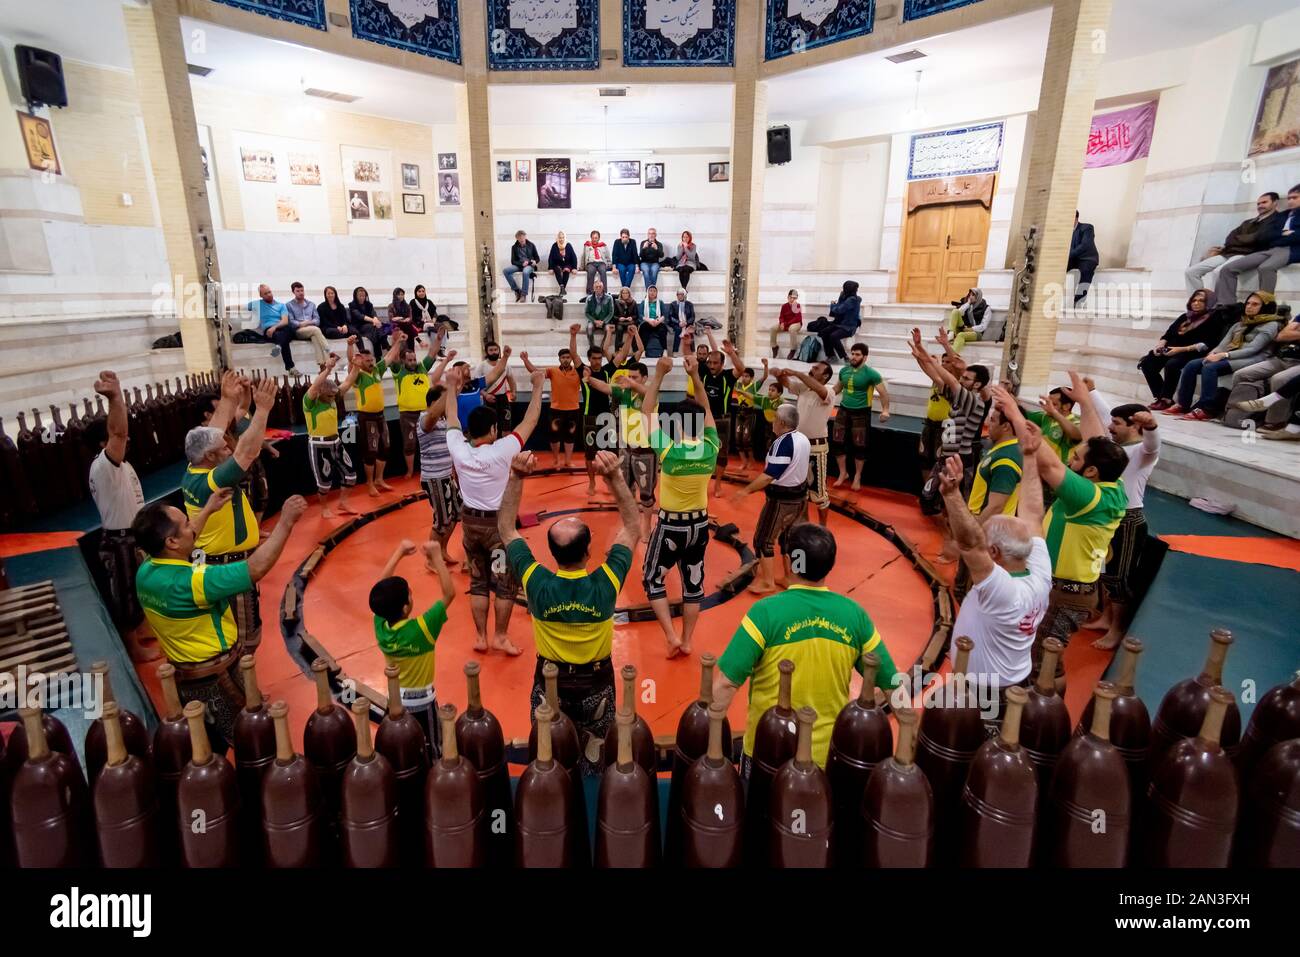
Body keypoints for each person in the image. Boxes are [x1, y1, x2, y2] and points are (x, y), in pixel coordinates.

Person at [713, 522, 900, 771]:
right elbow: (892, 683)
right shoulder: (855, 616)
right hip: (823, 761)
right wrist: (912, 738)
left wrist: (707, 742)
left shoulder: (764, 613)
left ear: (789, 561)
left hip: (768, 754)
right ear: (830, 564)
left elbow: (725, 684)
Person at [500, 448, 639, 776]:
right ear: (590, 551)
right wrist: (616, 477)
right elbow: (633, 527)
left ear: (551, 553)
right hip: (597, 684)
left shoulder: (536, 582)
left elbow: (507, 528)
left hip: (549, 681)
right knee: (596, 760)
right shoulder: (605, 583)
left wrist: (515, 477)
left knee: (547, 761)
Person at [133, 493, 309, 752]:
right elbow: (255, 568)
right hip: (217, 677)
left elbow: (185, 537)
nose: (191, 526)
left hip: (186, 676)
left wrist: (209, 508)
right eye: (185, 524)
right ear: (171, 541)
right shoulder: (194, 581)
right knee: (253, 740)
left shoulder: (146, 571)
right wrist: (285, 523)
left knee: (209, 740)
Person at [938, 392, 1050, 715]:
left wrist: (952, 495)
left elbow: (971, 543)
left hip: (982, 690)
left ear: (996, 552)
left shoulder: (1003, 591)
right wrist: (1029, 456)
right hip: (1012, 679)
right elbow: (1032, 511)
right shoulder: (1038, 571)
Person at [1026, 372, 1129, 688]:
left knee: (1044, 660)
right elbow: (1094, 440)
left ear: (1092, 471)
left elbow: (1049, 467)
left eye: (1076, 459)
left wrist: (1021, 425)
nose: (1071, 460)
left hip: (1065, 594)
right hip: (1063, 589)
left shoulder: (1088, 497)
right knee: (1039, 654)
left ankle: (1042, 715)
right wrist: (1084, 402)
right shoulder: (1112, 483)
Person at [444, 363, 547, 656]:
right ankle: (500, 636)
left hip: (470, 525)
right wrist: (538, 387)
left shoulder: (459, 449)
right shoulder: (504, 450)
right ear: (492, 429)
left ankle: (480, 636)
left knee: (477, 581)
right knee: (504, 583)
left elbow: (451, 417)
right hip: (498, 528)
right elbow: (530, 420)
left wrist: (451, 386)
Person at [182, 375, 279, 653]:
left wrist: (226, 400)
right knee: (242, 637)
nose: (228, 446)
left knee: (234, 632)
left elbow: (211, 435)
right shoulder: (211, 482)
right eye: (223, 448)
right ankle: (246, 692)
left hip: (219, 564)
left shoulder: (195, 470)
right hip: (227, 568)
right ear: (210, 457)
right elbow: (247, 452)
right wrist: (262, 410)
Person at [642, 354, 720, 657]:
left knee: (652, 578)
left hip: (671, 526)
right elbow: (708, 407)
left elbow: (645, 412)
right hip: (699, 526)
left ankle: (672, 636)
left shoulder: (670, 450)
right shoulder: (712, 446)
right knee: (693, 584)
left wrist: (659, 374)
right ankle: (687, 640)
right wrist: (696, 376)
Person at [86, 370, 156, 662]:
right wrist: (116, 398)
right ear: (104, 444)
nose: (126, 440)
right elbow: (118, 432)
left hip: (133, 534)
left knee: (137, 588)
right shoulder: (104, 465)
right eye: (115, 439)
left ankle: (140, 629)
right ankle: (133, 646)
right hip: (120, 539)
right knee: (125, 592)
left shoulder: (121, 465)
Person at [1081, 393, 1160, 651]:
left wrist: (1151, 426)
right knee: (1103, 573)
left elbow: (1152, 445)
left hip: (1128, 520)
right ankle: (1105, 618)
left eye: (1117, 423)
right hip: (1107, 516)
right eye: (1112, 422)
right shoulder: (1117, 449)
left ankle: (1117, 629)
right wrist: (1090, 392)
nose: (1110, 426)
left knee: (1119, 578)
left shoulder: (1142, 452)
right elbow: (1104, 414)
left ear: (1134, 425)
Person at [907, 328, 990, 562]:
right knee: (929, 499)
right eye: (963, 378)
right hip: (946, 457)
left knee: (952, 505)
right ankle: (951, 539)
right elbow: (937, 377)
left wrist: (929, 353)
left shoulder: (972, 400)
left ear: (977, 385)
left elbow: (949, 378)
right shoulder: (956, 398)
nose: (961, 380)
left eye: (967, 379)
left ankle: (955, 544)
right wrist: (921, 353)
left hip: (959, 461)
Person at [370, 537, 456, 756]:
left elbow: (379, 588)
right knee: (434, 747)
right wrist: (437, 557)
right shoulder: (422, 630)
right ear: (407, 607)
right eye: (409, 593)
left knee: (401, 742)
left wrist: (398, 551)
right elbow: (449, 594)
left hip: (395, 700)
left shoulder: (381, 627)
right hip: (424, 702)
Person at [730, 403, 809, 595]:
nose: (772, 422)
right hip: (800, 497)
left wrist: (745, 491)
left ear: (781, 422)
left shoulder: (781, 443)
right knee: (790, 537)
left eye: (775, 419)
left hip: (781, 499)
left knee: (763, 539)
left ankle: (768, 582)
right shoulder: (803, 438)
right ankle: (792, 577)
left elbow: (769, 475)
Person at [1166, 291, 1281, 420]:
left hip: (1253, 358)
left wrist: (1224, 355)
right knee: (1192, 364)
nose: (1249, 306)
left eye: (1255, 304)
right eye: (1248, 303)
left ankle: (1206, 408)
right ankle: (1183, 403)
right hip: (1231, 355)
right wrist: (1214, 352)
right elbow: (1224, 343)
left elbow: (1253, 349)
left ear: (1266, 307)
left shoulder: (1271, 324)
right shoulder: (1240, 323)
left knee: (1210, 367)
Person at [585, 344, 657, 542]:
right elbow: (605, 387)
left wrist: (631, 384)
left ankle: (646, 526)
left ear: (644, 378)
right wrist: (589, 379)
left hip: (646, 450)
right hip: (625, 449)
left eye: (635, 378)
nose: (630, 380)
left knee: (646, 493)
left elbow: (645, 393)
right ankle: (630, 524)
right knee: (626, 490)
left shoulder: (649, 394)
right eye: (629, 377)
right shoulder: (623, 393)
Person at [1139, 290, 1227, 409]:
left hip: (1191, 352)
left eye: (1201, 301)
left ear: (1209, 303)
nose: (1196, 303)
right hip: (1171, 349)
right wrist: (1160, 345)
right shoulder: (1185, 317)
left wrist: (1180, 349)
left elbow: (1206, 344)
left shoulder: (1215, 319)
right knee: (1147, 363)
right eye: (1194, 300)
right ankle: (1161, 397)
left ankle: (1166, 398)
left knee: (1172, 364)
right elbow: (1168, 335)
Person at [1214, 184, 1300, 302]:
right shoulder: (1282, 215)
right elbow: (1265, 235)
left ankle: (1265, 306)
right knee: (1228, 269)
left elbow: (1297, 237)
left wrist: (1282, 235)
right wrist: (1284, 234)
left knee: (1266, 267)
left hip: (1291, 250)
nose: (1290, 201)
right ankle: (1226, 305)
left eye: (1294, 198)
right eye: (1289, 198)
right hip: (1270, 249)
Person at [773, 363, 834, 525]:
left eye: (817, 369)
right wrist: (778, 373)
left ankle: (823, 529)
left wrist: (798, 373)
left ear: (825, 376)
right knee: (801, 491)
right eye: (812, 367)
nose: (812, 369)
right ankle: (804, 524)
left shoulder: (829, 391)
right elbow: (786, 382)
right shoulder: (803, 388)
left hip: (816, 448)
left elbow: (820, 390)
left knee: (819, 493)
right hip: (799, 445)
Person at [1184, 192, 1280, 295]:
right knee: (1191, 272)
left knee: (1219, 272)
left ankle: (1216, 305)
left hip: (1247, 255)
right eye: (1258, 204)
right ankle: (1197, 303)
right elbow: (1230, 239)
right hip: (1228, 253)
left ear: (1275, 203)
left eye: (1264, 202)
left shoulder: (1277, 220)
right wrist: (1245, 240)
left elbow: (1259, 238)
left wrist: (1241, 239)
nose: (1260, 206)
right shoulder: (1248, 222)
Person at [304, 354, 358, 518]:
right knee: (324, 483)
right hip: (319, 446)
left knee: (351, 475)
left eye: (334, 396)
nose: (332, 398)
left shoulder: (332, 398)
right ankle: (324, 509)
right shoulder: (310, 403)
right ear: (320, 392)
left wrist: (356, 366)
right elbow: (314, 387)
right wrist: (328, 369)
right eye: (329, 396)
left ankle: (343, 502)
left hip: (336, 443)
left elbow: (348, 382)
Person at [832, 343, 890, 492]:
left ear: (865, 357)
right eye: (852, 353)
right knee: (837, 441)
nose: (853, 357)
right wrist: (823, 396)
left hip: (861, 412)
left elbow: (883, 393)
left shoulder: (872, 374)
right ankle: (843, 473)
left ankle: (857, 476)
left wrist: (885, 410)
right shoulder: (844, 371)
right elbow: (836, 389)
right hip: (844, 409)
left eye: (857, 354)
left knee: (860, 445)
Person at [416, 375, 463, 561]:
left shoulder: (445, 421)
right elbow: (433, 415)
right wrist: (450, 388)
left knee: (456, 514)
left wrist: (458, 385)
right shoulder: (424, 420)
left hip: (447, 476)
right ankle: (431, 559)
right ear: (435, 402)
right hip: (434, 478)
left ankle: (442, 550)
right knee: (442, 520)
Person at [520, 332, 582, 470]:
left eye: (568, 357)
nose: (566, 360)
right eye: (563, 357)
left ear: (572, 359)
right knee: (554, 436)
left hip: (573, 409)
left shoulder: (578, 372)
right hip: (556, 409)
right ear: (559, 359)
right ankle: (556, 460)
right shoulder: (553, 371)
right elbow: (535, 372)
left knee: (570, 436)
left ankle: (568, 461)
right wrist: (525, 360)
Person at [392, 334, 449, 478]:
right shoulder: (399, 371)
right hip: (408, 414)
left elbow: (432, 352)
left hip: (425, 413)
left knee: (431, 441)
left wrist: (438, 338)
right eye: (409, 360)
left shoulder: (422, 367)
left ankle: (431, 466)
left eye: (414, 359)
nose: (413, 362)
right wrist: (397, 341)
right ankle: (410, 471)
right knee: (409, 443)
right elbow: (392, 357)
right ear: (404, 360)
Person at [695, 336, 745, 498]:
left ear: (722, 364)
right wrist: (687, 343)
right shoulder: (704, 372)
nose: (711, 365)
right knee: (701, 452)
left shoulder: (728, 376)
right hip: (704, 418)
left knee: (721, 454)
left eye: (715, 363)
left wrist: (731, 353)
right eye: (709, 362)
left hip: (722, 419)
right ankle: (703, 482)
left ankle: (717, 485)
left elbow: (741, 369)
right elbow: (690, 359)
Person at [967, 403, 1023, 524]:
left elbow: (996, 507)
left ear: (1006, 426)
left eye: (992, 420)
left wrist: (973, 530)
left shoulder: (1006, 460)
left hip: (987, 530)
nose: (988, 425)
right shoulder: (1004, 448)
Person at [806, 281, 862, 363]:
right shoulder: (846, 297)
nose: (856, 290)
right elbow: (839, 307)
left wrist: (832, 305)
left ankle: (845, 357)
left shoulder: (852, 300)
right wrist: (840, 298)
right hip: (839, 324)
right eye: (856, 288)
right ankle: (831, 356)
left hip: (849, 326)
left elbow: (839, 310)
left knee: (833, 336)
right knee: (824, 332)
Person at [246, 285, 298, 371]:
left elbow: (285, 321)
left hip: (281, 328)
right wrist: (223, 308)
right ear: (261, 295)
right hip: (269, 332)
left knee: (289, 329)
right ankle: (291, 368)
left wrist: (274, 327)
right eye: (265, 293)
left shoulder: (281, 305)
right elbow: (240, 306)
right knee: (281, 337)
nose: (269, 295)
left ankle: (279, 346)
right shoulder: (257, 304)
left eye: (269, 292)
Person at [283, 282, 331, 368]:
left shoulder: (311, 304)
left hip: (311, 330)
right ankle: (328, 351)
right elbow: (291, 322)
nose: (301, 292)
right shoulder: (289, 305)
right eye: (298, 291)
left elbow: (317, 320)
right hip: (298, 331)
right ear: (293, 292)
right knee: (315, 330)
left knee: (315, 337)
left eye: (302, 290)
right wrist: (302, 324)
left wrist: (307, 323)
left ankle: (322, 365)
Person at [945, 288, 992, 353]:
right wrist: (968, 303)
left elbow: (983, 326)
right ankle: (951, 333)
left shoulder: (986, 308)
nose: (970, 297)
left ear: (978, 296)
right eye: (969, 295)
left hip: (977, 333)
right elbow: (959, 313)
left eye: (973, 295)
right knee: (955, 311)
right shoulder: (968, 305)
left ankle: (952, 356)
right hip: (964, 328)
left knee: (961, 335)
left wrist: (970, 329)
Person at [1068, 211, 1099, 306]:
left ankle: (1078, 301)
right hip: (1074, 258)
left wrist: (1068, 255)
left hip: (1087, 258)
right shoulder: (1066, 231)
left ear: (1075, 218)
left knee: (1086, 272)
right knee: (1059, 267)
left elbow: (1085, 245)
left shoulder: (1087, 228)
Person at [348, 285, 386, 357]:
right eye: (360, 296)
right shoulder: (352, 305)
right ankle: (384, 343)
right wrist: (373, 320)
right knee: (374, 328)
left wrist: (375, 319)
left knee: (378, 329)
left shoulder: (368, 304)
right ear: (356, 296)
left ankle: (380, 352)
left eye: (364, 296)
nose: (362, 298)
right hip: (359, 326)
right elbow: (360, 316)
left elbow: (373, 313)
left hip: (371, 325)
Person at [504, 230, 541, 303]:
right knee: (506, 271)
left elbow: (537, 258)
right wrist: (521, 264)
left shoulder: (531, 245)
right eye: (520, 240)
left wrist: (534, 262)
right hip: (519, 265)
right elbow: (513, 261)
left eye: (523, 240)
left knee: (525, 272)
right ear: (517, 239)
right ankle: (517, 290)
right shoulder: (514, 247)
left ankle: (523, 294)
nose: (522, 242)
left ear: (525, 237)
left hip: (529, 265)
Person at [638, 285, 671, 357]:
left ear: (657, 293)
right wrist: (649, 320)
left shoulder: (660, 302)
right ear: (647, 292)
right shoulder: (644, 302)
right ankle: (643, 350)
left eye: (654, 291)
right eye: (651, 291)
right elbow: (640, 315)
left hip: (658, 321)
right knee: (644, 329)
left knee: (662, 329)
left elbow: (664, 314)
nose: (652, 292)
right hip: (647, 322)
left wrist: (658, 321)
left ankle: (664, 350)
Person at [770, 289, 803, 359]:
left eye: (794, 298)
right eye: (791, 297)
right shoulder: (784, 306)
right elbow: (781, 316)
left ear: (796, 298)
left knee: (792, 328)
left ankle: (793, 349)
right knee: (773, 328)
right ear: (788, 297)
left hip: (796, 324)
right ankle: (774, 347)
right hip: (785, 323)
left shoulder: (797, 306)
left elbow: (797, 318)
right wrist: (782, 323)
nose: (792, 299)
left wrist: (786, 324)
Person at [584, 279, 614, 352]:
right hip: (593, 320)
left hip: (605, 321)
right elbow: (586, 313)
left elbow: (611, 312)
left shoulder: (609, 298)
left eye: (600, 287)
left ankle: (602, 349)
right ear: (593, 288)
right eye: (596, 287)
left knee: (608, 330)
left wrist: (603, 322)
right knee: (589, 329)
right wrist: (594, 321)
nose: (598, 288)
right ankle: (592, 349)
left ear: (603, 288)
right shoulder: (589, 298)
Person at [548, 231, 578, 299]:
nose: (561, 239)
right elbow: (551, 258)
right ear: (557, 238)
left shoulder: (568, 245)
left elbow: (574, 257)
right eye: (560, 238)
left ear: (565, 238)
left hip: (567, 264)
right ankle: (562, 288)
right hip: (557, 264)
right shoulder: (554, 245)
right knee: (557, 269)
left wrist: (574, 268)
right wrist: (550, 268)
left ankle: (562, 289)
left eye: (562, 238)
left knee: (566, 271)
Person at [581, 229, 609, 300]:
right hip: (591, 263)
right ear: (591, 238)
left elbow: (607, 256)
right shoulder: (587, 245)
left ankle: (604, 292)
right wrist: (582, 267)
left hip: (601, 262)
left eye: (596, 238)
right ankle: (590, 293)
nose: (594, 239)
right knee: (590, 271)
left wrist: (609, 265)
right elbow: (583, 256)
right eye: (593, 238)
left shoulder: (603, 245)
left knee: (603, 271)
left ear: (598, 238)